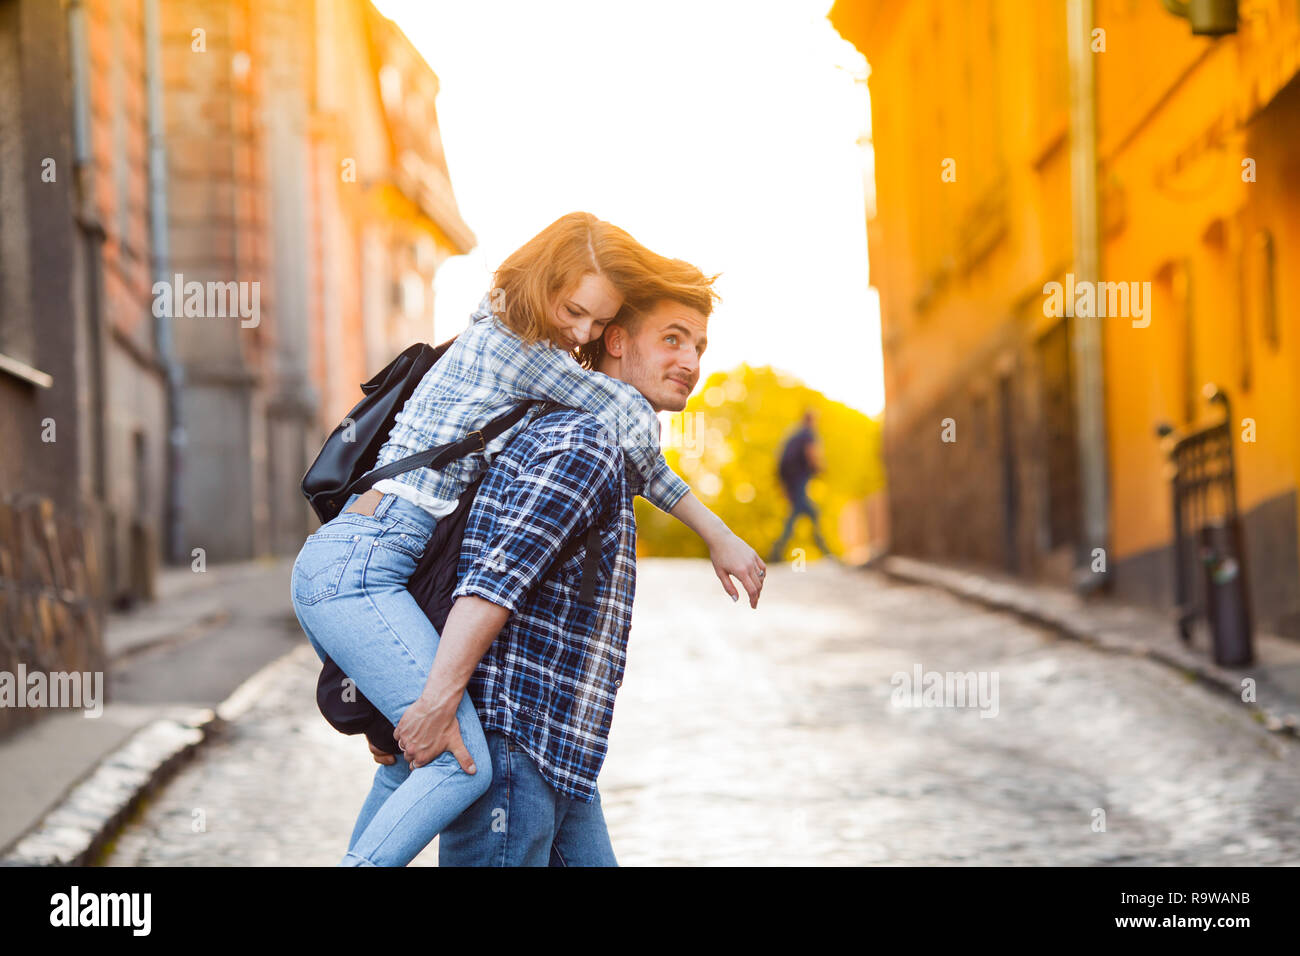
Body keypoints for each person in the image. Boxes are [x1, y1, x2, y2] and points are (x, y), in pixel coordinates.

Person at [290, 212, 765, 866]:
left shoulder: (524, 353)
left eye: (595, 324)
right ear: (544, 278)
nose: (580, 332)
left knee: (414, 759)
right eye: (577, 312)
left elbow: (628, 444)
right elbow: (625, 423)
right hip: (363, 562)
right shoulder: (516, 351)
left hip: (375, 566)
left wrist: (718, 534)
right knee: (458, 762)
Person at [365, 291, 718, 865]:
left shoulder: (590, 438)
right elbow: (492, 584)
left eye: (700, 346)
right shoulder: (586, 443)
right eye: (673, 338)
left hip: (558, 749)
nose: (691, 362)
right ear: (618, 342)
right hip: (517, 744)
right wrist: (433, 703)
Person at [768, 409, 833, 562]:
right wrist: (821, 469)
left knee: (805, 512)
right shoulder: (807, 434)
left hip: (789, 479)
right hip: (798, 478)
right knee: (800, 513)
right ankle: (778, 551)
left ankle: (822, 548)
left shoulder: (794, 434)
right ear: (812, 420)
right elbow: (811, 454)